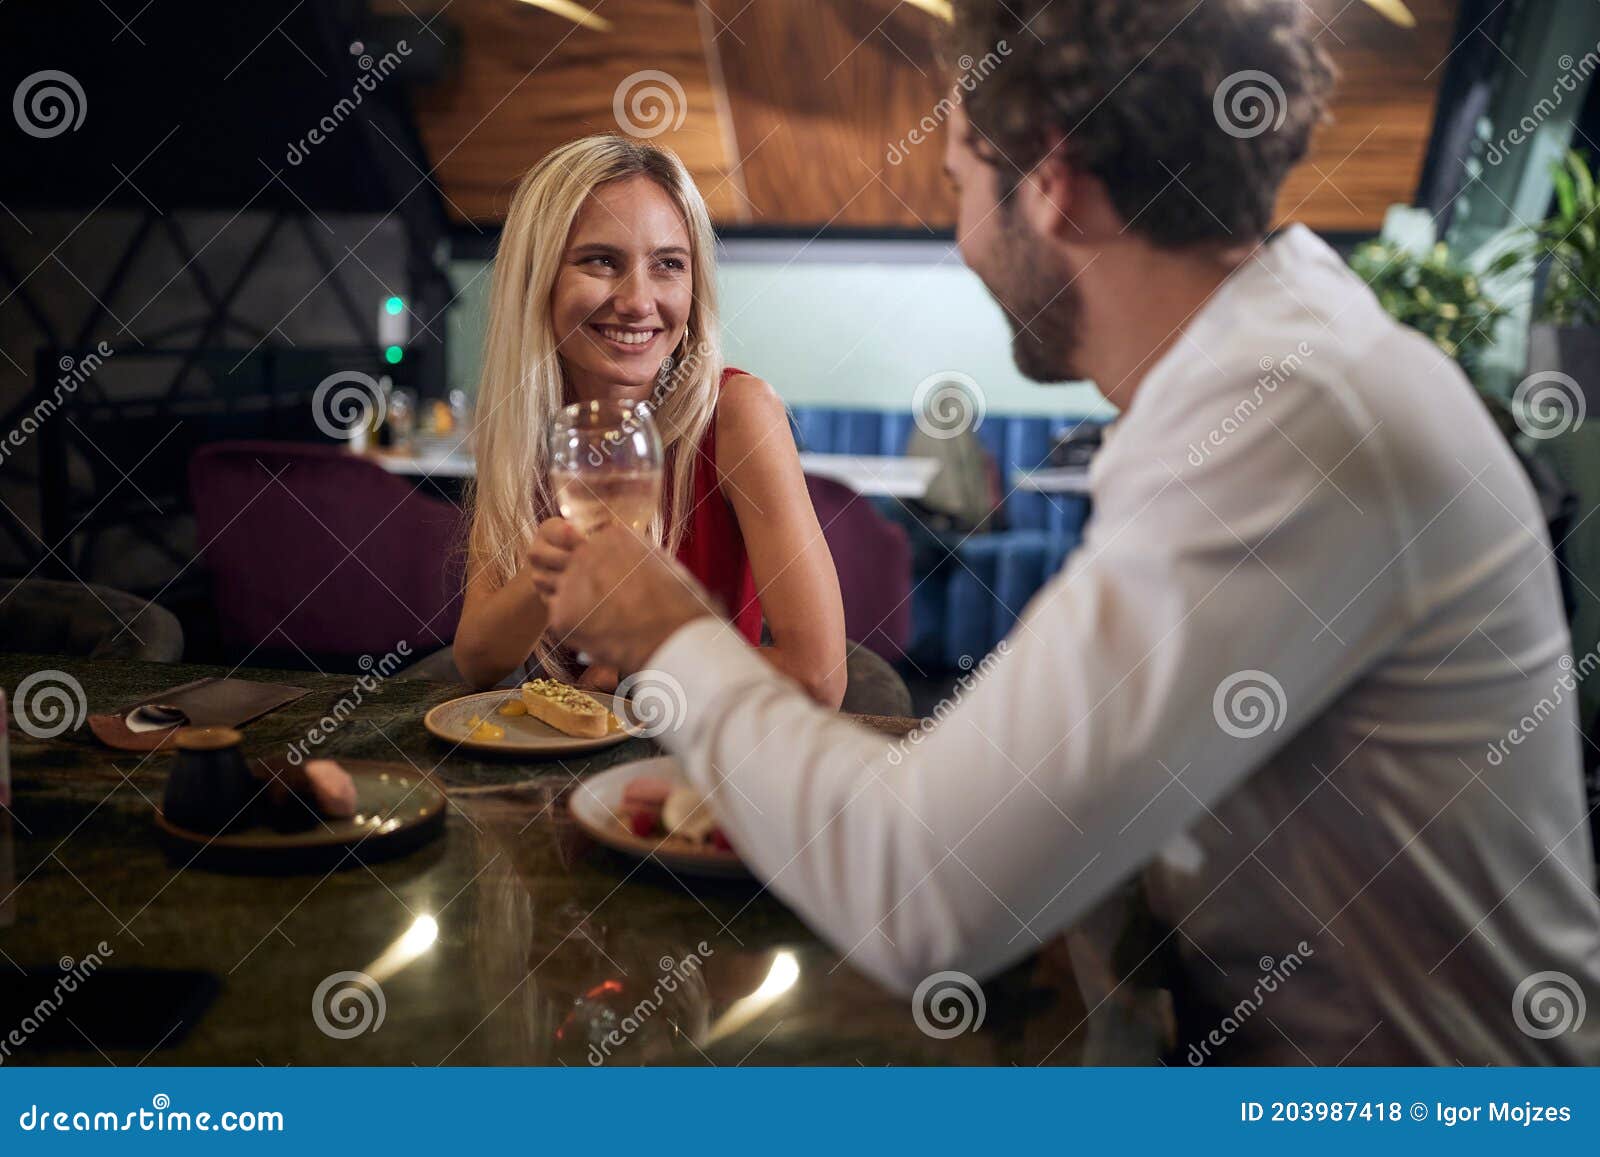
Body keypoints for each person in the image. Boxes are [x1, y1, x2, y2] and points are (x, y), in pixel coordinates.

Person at [546, 0, 1600, 1065]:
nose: (961, 238)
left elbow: (922, 892)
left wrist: (668, 632)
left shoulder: (1292, 421)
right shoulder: (1261, 376)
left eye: (959, 184)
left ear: (1052, 186)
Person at [454, 135, 846, 705]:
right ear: (536, 279)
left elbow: (818, 680)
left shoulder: (738, 413)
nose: (638, 300)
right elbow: (477, 662)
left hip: (698, 770)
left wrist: (641, 665)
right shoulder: (527, 423)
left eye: (667, 264)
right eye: (601, 260)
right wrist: (544, 579)